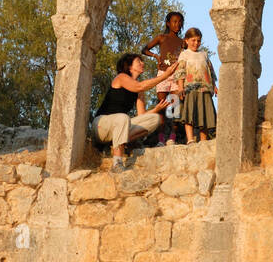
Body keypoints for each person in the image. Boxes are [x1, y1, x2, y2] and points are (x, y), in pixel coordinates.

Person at [92, 51, 178, 166]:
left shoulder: (139, 91)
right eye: (138, 61)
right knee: (123, 118)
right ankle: (117, 164)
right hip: (101, 125)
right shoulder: (121, 77)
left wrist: (156, 109)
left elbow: (142, 115)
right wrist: (165, 76)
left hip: (120, 126)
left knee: (154, 119)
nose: (142, 63)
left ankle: (116, 142)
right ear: (129, 66)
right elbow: (140, 86)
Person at [140, 11, 186, 146]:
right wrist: (156, 56)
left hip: (176, 76)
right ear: (168, 23)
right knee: (161, 107)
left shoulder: (183, 42)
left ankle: (171, 137)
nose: (177, 24)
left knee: (173, 107)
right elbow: (144, 49)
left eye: (180, 22)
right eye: (174, 21)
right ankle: (161, 138)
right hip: (162, 75)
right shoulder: (161, 38)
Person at [175, 28, 217, 142]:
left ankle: (203, 140)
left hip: (205, 88)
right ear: (187, 40)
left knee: (205, 113)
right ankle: (190, 139)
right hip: (190, 88)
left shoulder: (204, 54)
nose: (196, 43)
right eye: (193, 40)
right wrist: (180, 87)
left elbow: (211, 71)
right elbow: (180, 71)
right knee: (189, 113)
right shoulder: (184, 54)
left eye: (198, 41)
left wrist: (214, 86)